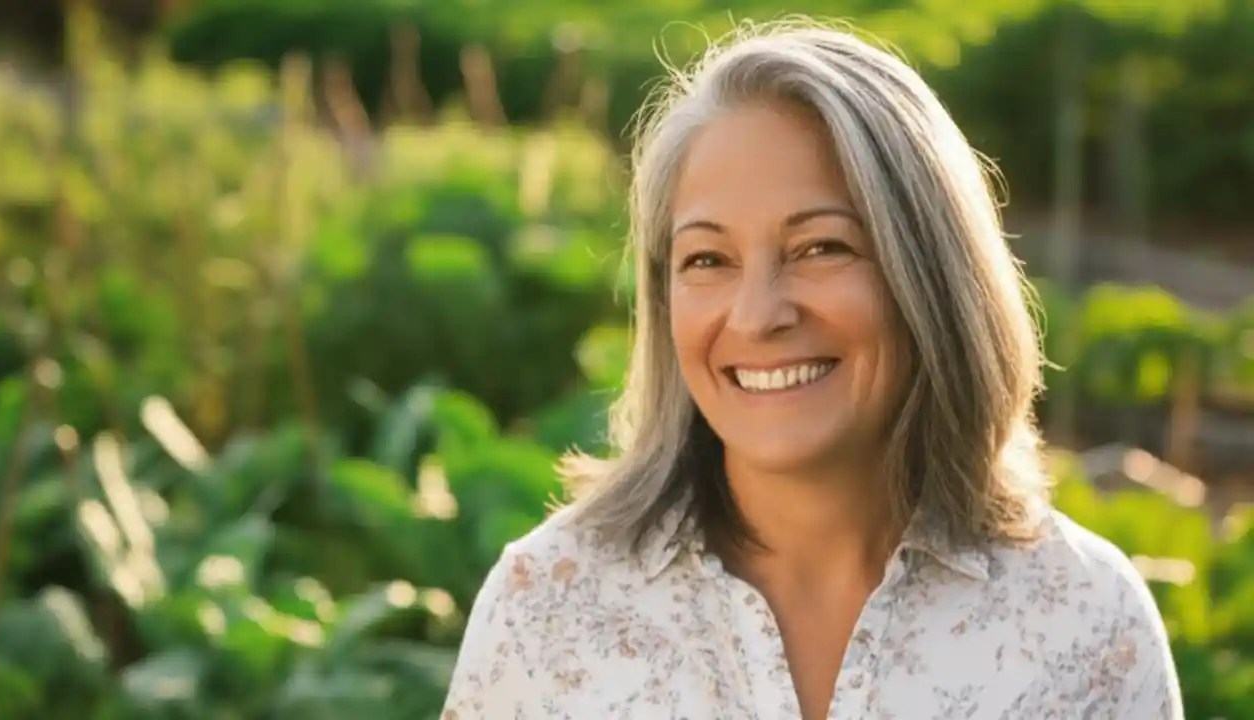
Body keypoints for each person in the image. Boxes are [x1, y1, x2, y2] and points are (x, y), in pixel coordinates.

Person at [440, 20, 1184, 720]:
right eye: (708, 260)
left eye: (820, 248)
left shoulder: (1086, 621)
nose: (757, 315)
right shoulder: (545, 610)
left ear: (931, 275)